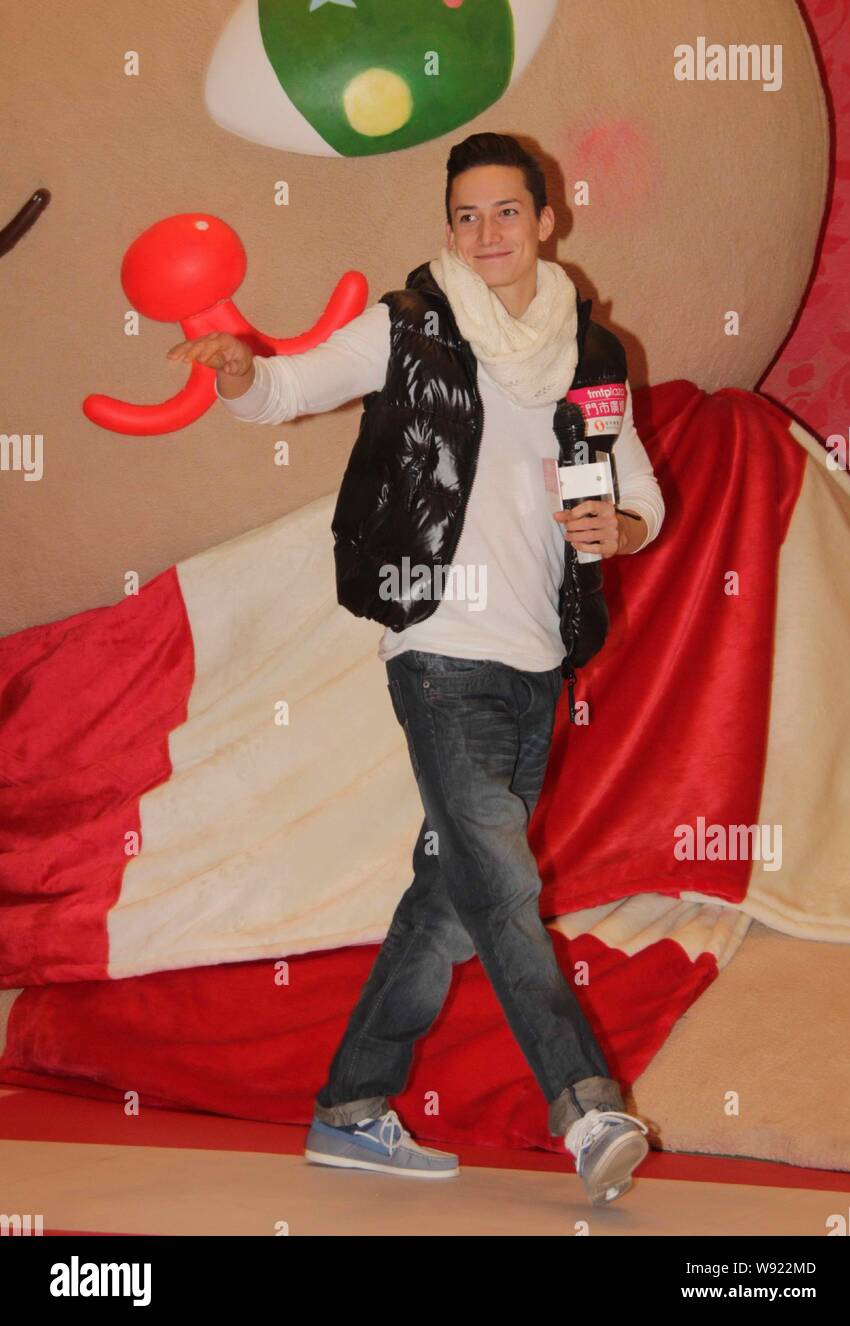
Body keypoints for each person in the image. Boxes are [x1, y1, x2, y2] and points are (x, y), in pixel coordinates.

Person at [167, 133, 665, 1207]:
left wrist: (618, 527)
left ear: (546, 219)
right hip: (436, 645)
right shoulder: (408, 328)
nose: (483, 234)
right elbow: (289, 385)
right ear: (446, 229)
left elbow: (640, 494)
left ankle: (351, 1107)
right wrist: (245, 372)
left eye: (503, 213)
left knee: (449, 897)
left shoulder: (589, 352)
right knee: (502, 878)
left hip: (540, 655)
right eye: (463, 215)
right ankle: (584, 1103)